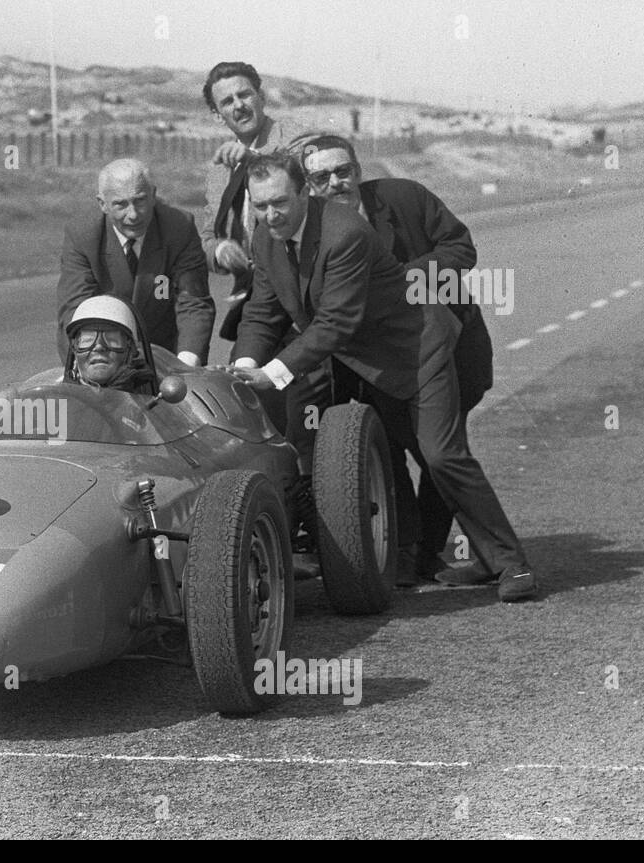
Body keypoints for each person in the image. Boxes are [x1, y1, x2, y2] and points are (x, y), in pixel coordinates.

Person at [229, 152, 537, 602]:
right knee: (398, 459)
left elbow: (336, 321)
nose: (270, 215)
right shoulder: (267, 238)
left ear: (302, 194)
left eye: (278, 203)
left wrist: (274, 372)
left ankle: (513, 565)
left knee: (440, 455)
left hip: (417, 351)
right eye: (260, 206)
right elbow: (262, 309)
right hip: (369, 364)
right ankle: (433, 557)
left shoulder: (345, 232)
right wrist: (243, 366)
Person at [300, 134, 495, 583]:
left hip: (445, 345)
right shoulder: (312, 226)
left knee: (439, 454)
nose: (335, 183)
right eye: (321, 177)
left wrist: (403, 279)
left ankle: (442, 552)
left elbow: (461, 248)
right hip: (376, 363)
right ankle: (410, 551)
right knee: (388, 449)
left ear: (358, 170)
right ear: (309, 185)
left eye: (343, 171)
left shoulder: (404, 197)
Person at [57, 158, 214, 368]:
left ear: (154, 195)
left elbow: (193, 302)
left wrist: (185, 365)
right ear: (102, 204)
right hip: (101, 350)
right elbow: (76, 308)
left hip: (163, 356)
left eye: (140, 200)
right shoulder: (82, 235)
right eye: (120, 204)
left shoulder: (179, 228)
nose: (133, 215)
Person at [197, 61, 286, 341]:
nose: (239, 106)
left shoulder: (296, 140)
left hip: (301, 287)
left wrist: (255, 162)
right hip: (254, 298)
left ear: (261, 96)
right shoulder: (220, 167)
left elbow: (305, 187)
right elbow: (207, 236)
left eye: (244, 95)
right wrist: (220, 250)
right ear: (217, 114)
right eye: (227, 101)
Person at [63, 296, 155, 393]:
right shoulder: (56, 398)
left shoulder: (148, 398)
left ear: (130, 349)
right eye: (88, 340)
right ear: (74, 348)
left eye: (112, 340)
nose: (99, 347)